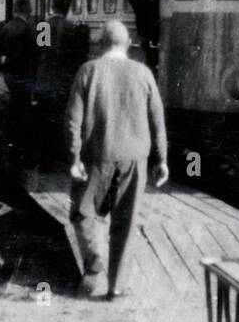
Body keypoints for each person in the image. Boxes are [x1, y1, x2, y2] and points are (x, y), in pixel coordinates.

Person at [65, 20, 169, 299]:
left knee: (83, 212)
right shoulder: (143, 72)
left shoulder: (88, 70)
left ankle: (95, 256)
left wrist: (74, 157)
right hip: (135, 159)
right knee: (125, 222)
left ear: (101, 45)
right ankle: (116, 287)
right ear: (128, 45)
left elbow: (73, 120)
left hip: (97, 156)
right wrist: (162, 160)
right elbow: (158, 120)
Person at [33, 0, 88, 172]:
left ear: (52, 6)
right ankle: (63, 157)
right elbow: (78, 58)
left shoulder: (43, 27)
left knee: (42, 120)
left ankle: (45, 162)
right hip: (65, 82)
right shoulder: (73, 28)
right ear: (68, 8)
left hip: (44, 80)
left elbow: (39, 54)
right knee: (63, 119)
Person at [0, 0, 38, 176]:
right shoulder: (28, 30)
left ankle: (8, 149)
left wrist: (4, 67)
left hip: (9, 76)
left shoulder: (5, 27)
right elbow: (33, 56)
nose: (31, 9)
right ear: (25, 8)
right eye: (30, 6)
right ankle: (20, 153)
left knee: (12, 111)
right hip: (24, 77)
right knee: (24, 114)